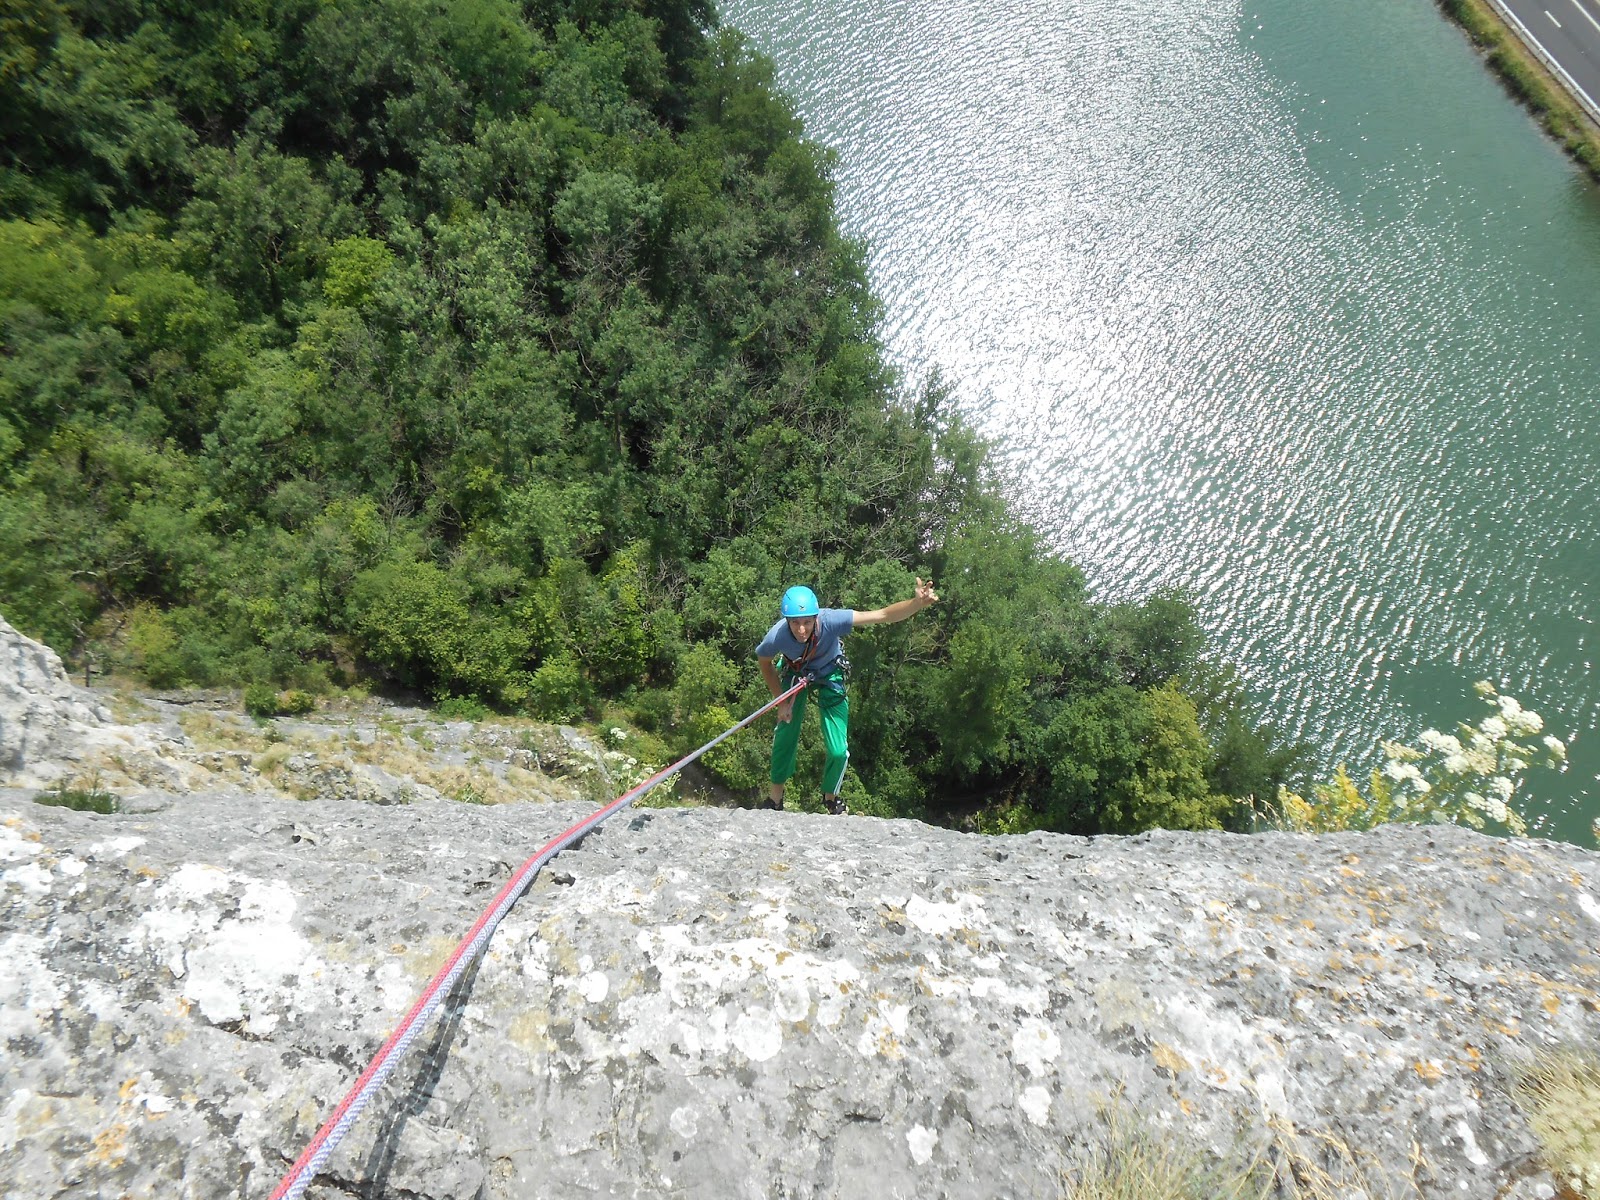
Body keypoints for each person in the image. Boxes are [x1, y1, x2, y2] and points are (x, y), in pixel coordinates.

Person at [755, 578, 939, 814]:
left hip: (830, 672)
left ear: (816, 618)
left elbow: (881, 615)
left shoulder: (831, 620)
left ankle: (830, 796)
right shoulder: (776, 636)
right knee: (785, 731)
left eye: (807, 622)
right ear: (787, 621)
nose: (801, 630)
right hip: (796, 671)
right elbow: (765, 662)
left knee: (838, 749)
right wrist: (781, 701)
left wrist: (915, 604)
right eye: (795, 623)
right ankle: (775, 797)